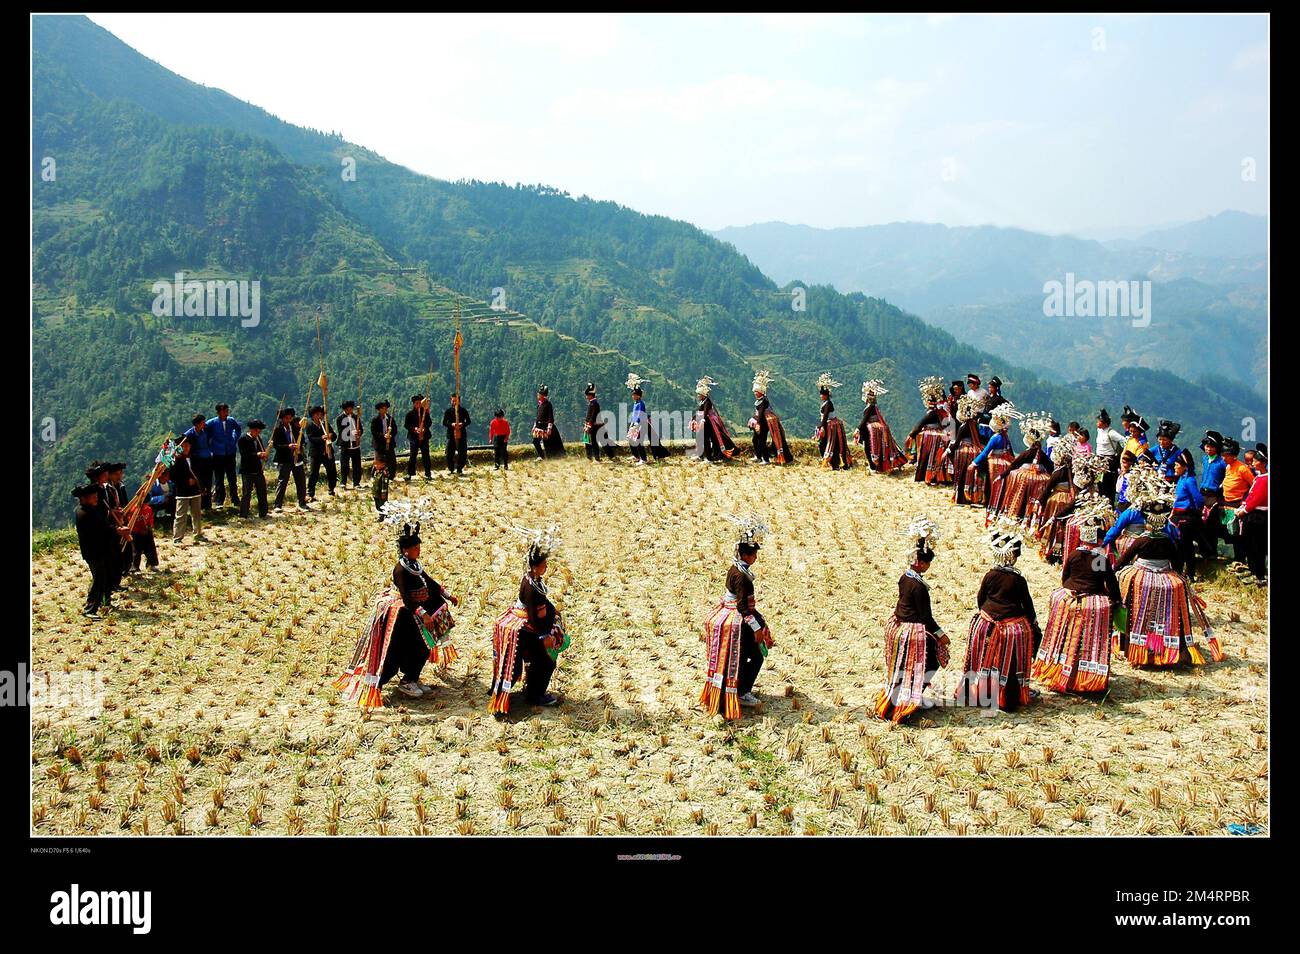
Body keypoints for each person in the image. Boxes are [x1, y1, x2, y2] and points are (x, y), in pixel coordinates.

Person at [335, 512, 461, 707]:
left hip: (415, 612)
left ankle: (411, 677)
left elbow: (428, 581)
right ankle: (400, 681)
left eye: (419, 547)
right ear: (405, 551)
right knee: (399, 649)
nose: (418, 550)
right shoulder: (400, 570)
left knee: (425, 644)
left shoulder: (415, 565)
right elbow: (407, 597)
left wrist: (447, 595)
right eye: (415, 548)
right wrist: (424, 614)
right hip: (403, 615)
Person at [1111, 467, 1221, 668]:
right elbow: (1178, 562)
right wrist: (1180, 577)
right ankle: (1165, 647)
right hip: (1166, 577)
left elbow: (1123, 560)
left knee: (1124, 587)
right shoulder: (1170, 540)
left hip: (1141, 576)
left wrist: (1114, 572)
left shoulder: (1141, 541)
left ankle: (1137, 646)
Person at [954, 519, 1041, 712]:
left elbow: (980, 599)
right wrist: (1034, 626)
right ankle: (1008, 698)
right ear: (1013, 556)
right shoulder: (1018, 580)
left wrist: (987, 616)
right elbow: (1028, 606)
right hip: (1011, 629)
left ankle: (979, 692)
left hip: (986, 624)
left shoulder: (990, 575)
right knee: (1012, 659)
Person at [1031, 507, 1120, 695]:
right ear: (1097, 540)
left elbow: (1065, 578)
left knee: (1066, 636)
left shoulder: (1072, 555)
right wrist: (1116, 601)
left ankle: (1057, 668)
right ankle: (1085, 676)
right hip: (1091, 599)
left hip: (1068, 596)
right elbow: (1111, 583)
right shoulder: (1100, 559)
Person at [874, 517, 950, 723]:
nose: (927, 567)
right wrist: (941, 635)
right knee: (930, 661)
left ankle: (897, 699)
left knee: (901, 668)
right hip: (912, 631)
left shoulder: (904, 577)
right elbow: (926, 617)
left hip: (897, 626)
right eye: (927, 563)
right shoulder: (918, 587)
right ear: (920, 562)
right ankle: (908, 702)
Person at [701, 514, 773, 719]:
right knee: (756, 654)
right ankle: (741, 692)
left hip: (731, 617)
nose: (756, 558)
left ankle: (735, 689)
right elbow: (743, 607)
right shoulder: (742, 577)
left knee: (740, 656)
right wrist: (757, 629)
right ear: (745, 555)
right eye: (753, 554)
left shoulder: (736, 569)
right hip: (738, 623)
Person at [489, 525, 567, 713]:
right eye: (543, 565)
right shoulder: (531, 587)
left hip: (530, 628)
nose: (546, 568)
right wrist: (544, 636)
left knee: (539, 661)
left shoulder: (534, 580)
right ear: (533, 567)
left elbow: (541, 602)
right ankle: (535, 695)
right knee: (546, 661)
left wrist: (551, 610)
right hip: (526, 631)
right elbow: (533, 615)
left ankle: (532, 691)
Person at [985, 412, 1054, 525]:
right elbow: (1050, 467)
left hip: (1024, 478)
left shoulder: (1026, 454)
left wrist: (1001, 475)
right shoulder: (1042, 453)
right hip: (1039, 481)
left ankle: (1016, 514)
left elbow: (1013, 465)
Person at [74, 483, 126, 616]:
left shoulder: (92, 510)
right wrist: (118, 530)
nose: (96, 498)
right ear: (84, 498)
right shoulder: (84, 513)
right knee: (99, 579)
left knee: (106, 576)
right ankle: (90, 608)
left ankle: (105, 602)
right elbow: (101, 529)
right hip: (94, 552)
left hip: (101, 549)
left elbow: (104, 525)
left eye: (96, 495)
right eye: (93, 496)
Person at [907, 376, 955, 485]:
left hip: (929, 436)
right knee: (934, 456)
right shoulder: (938, 412)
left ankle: (928, 476)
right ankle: (936, 475)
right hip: (939, 434)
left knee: (927, 456)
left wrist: (912, 434)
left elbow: (920, 424)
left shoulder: (931, 413)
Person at [969, 402, 1020, 505]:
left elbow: (985, 452)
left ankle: (986, 498)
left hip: (994, 460)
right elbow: (1009, 450)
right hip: (1005, 461)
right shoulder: (1005, 437)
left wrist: (974, 463)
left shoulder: (995, 437)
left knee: (985, 476)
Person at [853, 379, 908, 473]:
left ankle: (873, 466)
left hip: (870, 430)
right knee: (879, 447)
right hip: (877, 429)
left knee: (868, 447)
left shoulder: (869, 407)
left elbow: (864, 420)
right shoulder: (874, 407)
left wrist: (857, 429)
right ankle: (878, 465)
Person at [1233, 444, 1268, 585]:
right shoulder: (1260, 478)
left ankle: (1259, 576)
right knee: (1250, 545)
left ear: (1263, 463)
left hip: (1258, 516)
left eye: (1256, 460)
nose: (1253, 462)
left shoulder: (1265, 479)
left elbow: (1257, 499)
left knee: (1257, 546)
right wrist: (1244, 505)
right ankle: (1254, 571)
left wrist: (1243, 510)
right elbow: (1251, 497)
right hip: (1252, 514)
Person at [1170, 449, 1205, 581]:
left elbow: (1198, 499)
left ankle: (1190, 574)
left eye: (1177, 465)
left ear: (1185, 467)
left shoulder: (1189, 480)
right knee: (1178, 546)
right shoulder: (1181, 479)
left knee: (1186, 546)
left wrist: (1196, 511)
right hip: (1177, 517)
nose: (1175, 467)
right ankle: (1178, 572)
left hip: (1185, 518)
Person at [1220, 438, 1255, 565]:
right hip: (1227, 503)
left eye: (1226, 455)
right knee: (1231, 533)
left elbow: (1253, 485)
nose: (1224, 458)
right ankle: (1236, 558)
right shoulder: (1228, 467)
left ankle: (1241, 559)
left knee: (1239, 534)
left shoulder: (1242, 469)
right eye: (1223, 455)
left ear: (1234, 456)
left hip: (1238, 504)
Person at [950, 392, 989, 505]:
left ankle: (962, 498)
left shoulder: (963, 427)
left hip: (964, 451)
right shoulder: (975, 424)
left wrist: (949, 451)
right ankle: (975, 496)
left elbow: (956, 442)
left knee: (962, 474)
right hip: (975, 451)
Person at [749, 369, 792, 465]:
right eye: (755, 391)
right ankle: (758, 456)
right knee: (755, 440)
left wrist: (758, 424)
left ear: (761, 391)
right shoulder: (759, 400)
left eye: (757, 391)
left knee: (761, 441)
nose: (755, 393)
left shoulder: (764, 401)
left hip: (764, 424)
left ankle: (766, 459)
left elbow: (760, 414)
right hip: (759, 423)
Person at [272, 407, 310, 513]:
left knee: (301, 480)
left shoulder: (294, 427)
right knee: (283, 481)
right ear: (282, 418)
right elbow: (276, 445)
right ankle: (277, 504)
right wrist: (288, 446)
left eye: (290, 418)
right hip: (284, 459)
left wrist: (299, 441)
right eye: (286, 418)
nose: (288, 420)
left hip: (296, 457)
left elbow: (301, 439)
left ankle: (302, 502)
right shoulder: (278, 429)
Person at [692, 376, 738, 463]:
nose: (698, 396)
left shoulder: (707, 401)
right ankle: (701, 455)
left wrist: (702, 420)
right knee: (700, 439)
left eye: (699, 394)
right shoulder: (703, 401)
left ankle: (709, 458)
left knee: (706, 440)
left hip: (708, 424)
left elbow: (705, 412)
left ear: (703, 395)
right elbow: (699, 412)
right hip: (704, 423)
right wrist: (694, 419)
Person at [625, 373, 668, 464]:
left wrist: (636, 424)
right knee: (631, 439)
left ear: (638, 396)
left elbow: (639, 415)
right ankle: (636, 456)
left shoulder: (640, 403)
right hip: (636, 424)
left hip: (641, 424)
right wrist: (632, 424)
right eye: (632, 394)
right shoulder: (636, 403)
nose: (632, 396)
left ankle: (643, 459)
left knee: (638, 441)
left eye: (634, 395)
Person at [205, 403, 242, 509]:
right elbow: (205, 433)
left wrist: (234, 439)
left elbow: (238, 429)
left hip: (230, 453)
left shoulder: (231, 420)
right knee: (219, 478)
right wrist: (211, 446)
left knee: (232, 477)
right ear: (219, 412)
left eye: (227, 410)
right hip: (218, 454)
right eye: (224, 411)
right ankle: (219, 500)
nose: (226, 413)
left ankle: (235, 499)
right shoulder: (212, 423)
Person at [1198, 431, 1227, 560]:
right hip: (1202, 493)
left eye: (1211, 447)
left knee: (1211, 524)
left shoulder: (1222, 462)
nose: (1208, 449)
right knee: (1201, 523)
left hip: (1214, 495)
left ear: (1217, 448)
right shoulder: (1205, 459)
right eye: (1207, 446)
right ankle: (1203, 550)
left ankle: (1211, 552)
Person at [814, 373, 853, 470]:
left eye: (822, 395)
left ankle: (834, 463)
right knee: (832, 445)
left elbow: (826, 416)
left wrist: (821, 427)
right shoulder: (826, 403)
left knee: (829, 444)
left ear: (826, 395)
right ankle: (833, 462)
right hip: (830, 425)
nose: (821, 396)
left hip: (830, 426)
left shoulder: (828, 404)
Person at [170, 437, 206, 542]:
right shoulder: (175, 460)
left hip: (195, 490)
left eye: (187, 446)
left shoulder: (192, 457)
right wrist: (186, 482)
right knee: (181, 515)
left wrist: (200, 485)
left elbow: (199, 472)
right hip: (182, 491)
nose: (186, 448)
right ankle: (177, 537)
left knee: (197, 514)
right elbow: (173, 477)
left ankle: (198, 534)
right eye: (184, 446)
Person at [237, 418, 269, 519]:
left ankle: (263, 513)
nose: (257, 433)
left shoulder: (258, 439)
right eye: (256, 431)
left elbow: (261, 450)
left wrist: (263, 455)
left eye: (259, 431)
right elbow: (245, 454)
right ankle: (243, 514)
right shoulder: (243, 439)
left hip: (258, 470)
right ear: (251, 429)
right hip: (247, 470)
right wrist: (257, 454)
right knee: (247, 493)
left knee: (262, 492)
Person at [305, 405, 338, 502]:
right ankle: (310, 493)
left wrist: (331, 435)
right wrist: (321, 438)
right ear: (313, 416)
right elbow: (311, 438)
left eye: (321, 414)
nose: (320, 416)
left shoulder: (326, 424)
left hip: (327, 452)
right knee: (314, 473)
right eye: (318, 414)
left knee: (332, 471)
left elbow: (334, 435)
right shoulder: (310, 426)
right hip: (316, 453)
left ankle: (331, 489)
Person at [182, 413, 214, 510]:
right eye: (202, 422)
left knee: (208, 482)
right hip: (196, 461)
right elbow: (182, 445)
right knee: (198, 483)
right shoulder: (189, 435)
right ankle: (198, 506)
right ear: (197, 424)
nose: (204, 424)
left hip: (208, 459)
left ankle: (207, 505)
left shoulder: (206, 431)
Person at [1095, 409, 1127, 504]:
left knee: (1108, 485)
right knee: (1099, 483)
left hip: (1109, 461)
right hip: (1099, 460)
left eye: (1099, 421)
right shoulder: (1099, 431)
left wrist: (1123, 453)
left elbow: (1123, 440)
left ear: (1105, 423)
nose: (1097, 423)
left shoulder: (1111, 433)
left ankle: (1109, 504)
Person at [403, 394, 433, 481]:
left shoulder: (424, 412)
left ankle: (428, 473)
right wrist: (414, 429)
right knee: (413, 456)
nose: (418, 404)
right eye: (416, 403)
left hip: (424, 437)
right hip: (414, 438)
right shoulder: (410, 414)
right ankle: (410, 474)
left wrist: (424, 428)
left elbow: (429, 422)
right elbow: (406, 425)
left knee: (426, 456)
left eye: (419, 403)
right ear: (413, 404)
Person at [530, 385, 565, 459]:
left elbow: (550, 417)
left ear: (542, 395)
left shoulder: (548, 404)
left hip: (545, 427)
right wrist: (534, 426)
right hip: (539, 427)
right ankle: (541, 456)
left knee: (548, 444)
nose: (537, 395)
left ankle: (552, 457)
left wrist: (549, 428)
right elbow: (538, 417)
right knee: (535, 441)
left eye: (539, 394)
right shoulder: (539, 405)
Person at [336, 400, 363, 490]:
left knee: (357, 465)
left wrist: (359, 432)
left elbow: (361, 429)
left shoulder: (356, 417)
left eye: (351, 408)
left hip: (355, 444)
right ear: (345, 409)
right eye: (348, 409)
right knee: (344, 465)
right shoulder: (340, 418)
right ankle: (343, 482)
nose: (350, 410)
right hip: (345, 445)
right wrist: (351, 433)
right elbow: (341, 432)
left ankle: (356, 482)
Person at [442, 393, 471, 475]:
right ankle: (451, 469)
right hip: (451, 435)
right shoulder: (448, 411)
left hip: (462, 434)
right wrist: (452, 424)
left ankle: (459, 468)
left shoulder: (463, 411)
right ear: (451, 401)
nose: (454, 402)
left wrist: (462, 424)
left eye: (456, 401)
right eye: (453, 401)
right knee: (449, 453)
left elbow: (468, 421)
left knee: (463, 453)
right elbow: (444, 422)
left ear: (459, 401)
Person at [370, 400, 398, 478]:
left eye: (386, 408)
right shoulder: (375, 420)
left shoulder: (390, 419)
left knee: (391, 460)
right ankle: (375, 475)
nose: (385, 410)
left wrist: (390, 435)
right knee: (379, 461)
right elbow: (374, 432)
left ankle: (391, 476)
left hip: (389, 443)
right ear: (379, 409)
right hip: (379, 444)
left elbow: (395, 429)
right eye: (383, 408)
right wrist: (383, 436)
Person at [582, 383, 604, 461]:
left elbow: (593, 416)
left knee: (594, 441)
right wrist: (586, 423)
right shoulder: (592, 403)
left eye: (587, 395)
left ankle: (596, 457)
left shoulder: (595, 404)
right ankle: (589, 457)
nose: (586, 396)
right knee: (587, 441)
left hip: (593, 426)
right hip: (589, 425)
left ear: (591, 395)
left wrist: (589, 425)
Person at [371, 454, 390, 520]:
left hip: (381, 493)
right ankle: (381, 514)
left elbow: (384, 484)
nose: (375, 466)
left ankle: (383, 516)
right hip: (376, 492)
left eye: (377, 464)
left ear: (383, 464)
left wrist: (383, 493)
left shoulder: (384, 473)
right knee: (378, 504)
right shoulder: (376, 472)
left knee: (382, 504)